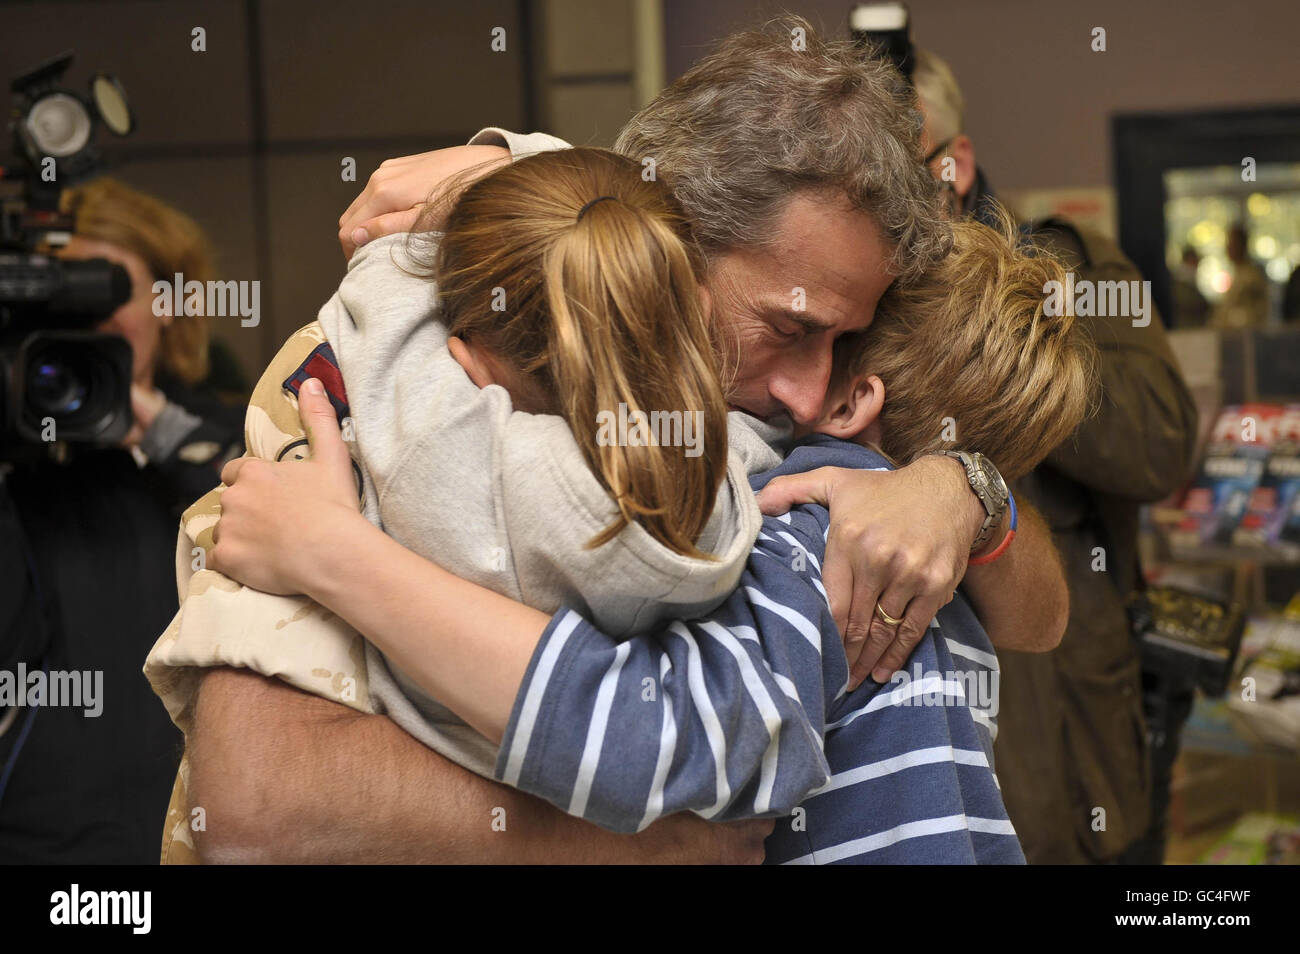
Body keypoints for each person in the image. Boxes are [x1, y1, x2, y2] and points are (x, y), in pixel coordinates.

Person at [179, 18, 1070, 864]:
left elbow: (1042, 617)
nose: (811, 396)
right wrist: (649, 844)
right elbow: (257, 805)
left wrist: (961, 488)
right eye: (788, 330)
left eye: (843, 344)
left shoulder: (772, 440)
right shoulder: (345, 389)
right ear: (667, 243)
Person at [909, 47, 1199, 863]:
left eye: (895, 160)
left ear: (953, 164)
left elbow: (1163, 443)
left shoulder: (1068, 268)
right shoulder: (851, 293)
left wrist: (1011, 344)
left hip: (1070, 763)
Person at [0, 178, 244, 863]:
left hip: (206, 837)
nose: (90, 321)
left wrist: (153, 429)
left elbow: (278, 544)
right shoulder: (22, 473)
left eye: (108, 292)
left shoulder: (232, 437)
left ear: (168, 304)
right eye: (62, 300)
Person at [1212, 224, 1271, 329]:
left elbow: (1252, 316)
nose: (1228, 248)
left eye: (1232, 243)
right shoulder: (1236, 274)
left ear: (1242, 245)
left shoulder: (1251, 277)